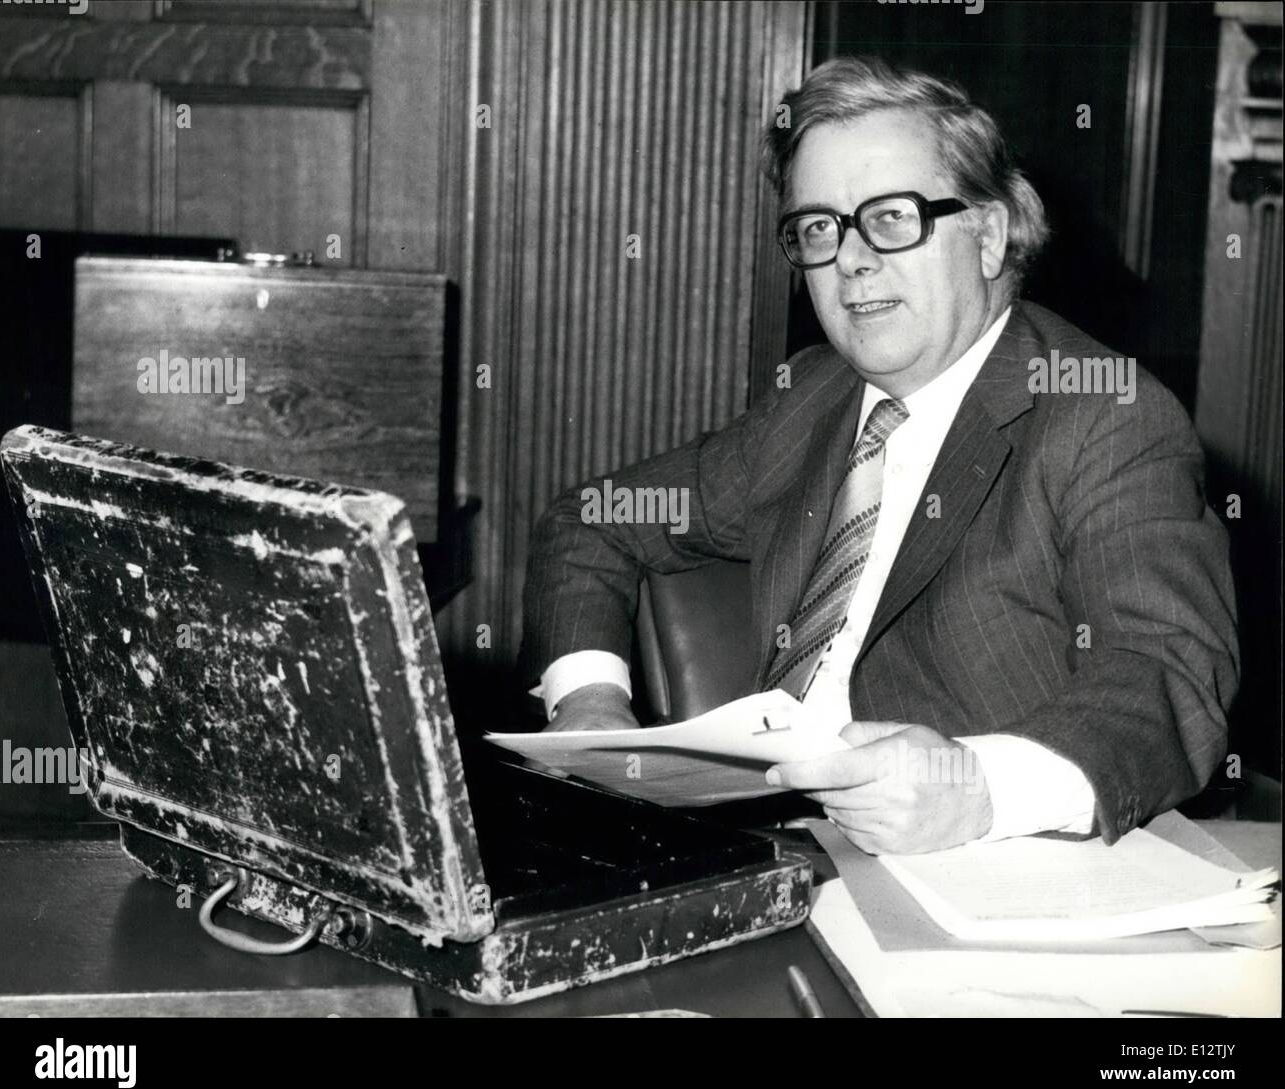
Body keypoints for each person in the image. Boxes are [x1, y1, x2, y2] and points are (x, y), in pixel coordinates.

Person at [518, 55, 1238, 854]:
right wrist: (586, 704)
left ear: (990, 233)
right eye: (819, 227)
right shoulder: (811, 402)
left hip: (988, 881)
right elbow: (593, 521)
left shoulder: (1102, 415)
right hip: (765, 856)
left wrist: (974, 789)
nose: (852, 259)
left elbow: (1168, 674)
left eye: (892, 217)